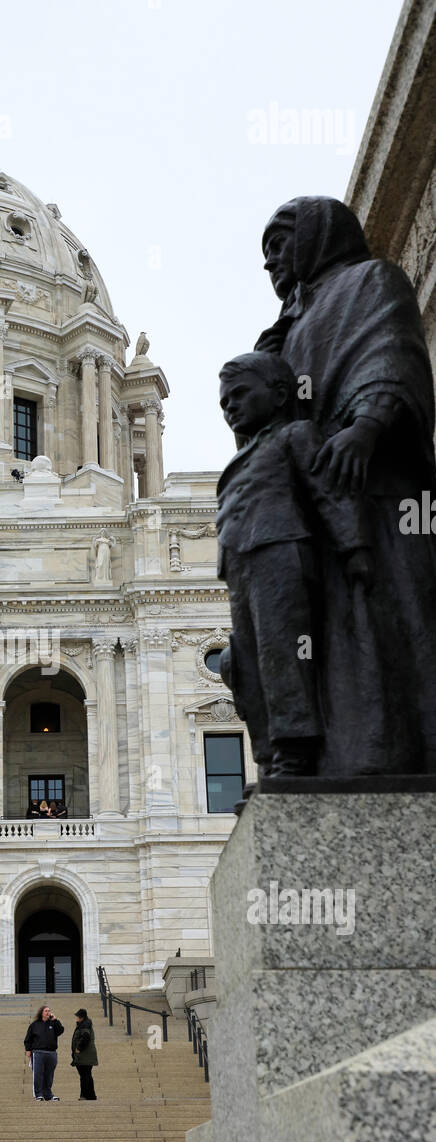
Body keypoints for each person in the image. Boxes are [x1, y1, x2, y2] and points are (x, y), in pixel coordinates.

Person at [255, 195, 436, 776]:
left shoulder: (370, 281)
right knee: (332, 642)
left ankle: (394, 757)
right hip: (314, 500)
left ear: (317, 235)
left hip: (373, 488)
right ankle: (345, 760)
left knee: (386, 622)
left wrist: (367, 426)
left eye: (279, 244)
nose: (269, 262)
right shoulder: (289, 327)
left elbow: (393, 356)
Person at [217, 351, 368, 777]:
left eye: (240, 395)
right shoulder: (243, 456)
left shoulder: (296, 435)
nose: (230, 407)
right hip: (242, 566)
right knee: (245, 661)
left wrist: (354, 549)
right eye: (224, 402)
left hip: (282, 553)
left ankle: (295, 749)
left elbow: (328, 494)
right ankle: (268, 758)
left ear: (281, 394)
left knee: (282, 651)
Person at [23, 1004, 64, 1101]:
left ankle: (48, 1094)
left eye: (49, 1011)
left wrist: (55, 1020)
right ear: (41, 1013)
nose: (48, 1012)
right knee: (38, 1074)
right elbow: (28, 1039)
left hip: (51, 1053)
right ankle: (38, 1094)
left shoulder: (53, 1023)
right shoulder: (34, 1025)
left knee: (49, 1075)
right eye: (46, 1011)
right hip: (38, 1053)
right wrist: (28, 1050)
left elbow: (60, 1031)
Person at [70, 1008, 98, 1100]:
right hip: (87, 1056)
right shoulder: (86, 1024)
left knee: (85, 1076)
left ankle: (86, 1095)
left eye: (77, 1016)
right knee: (87, 1075)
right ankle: (90, 1095)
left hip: (84, 1056)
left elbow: (86, 1037)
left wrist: (79, 1048)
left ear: (81, 1017)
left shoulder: (84, 1026)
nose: (76, 1018)